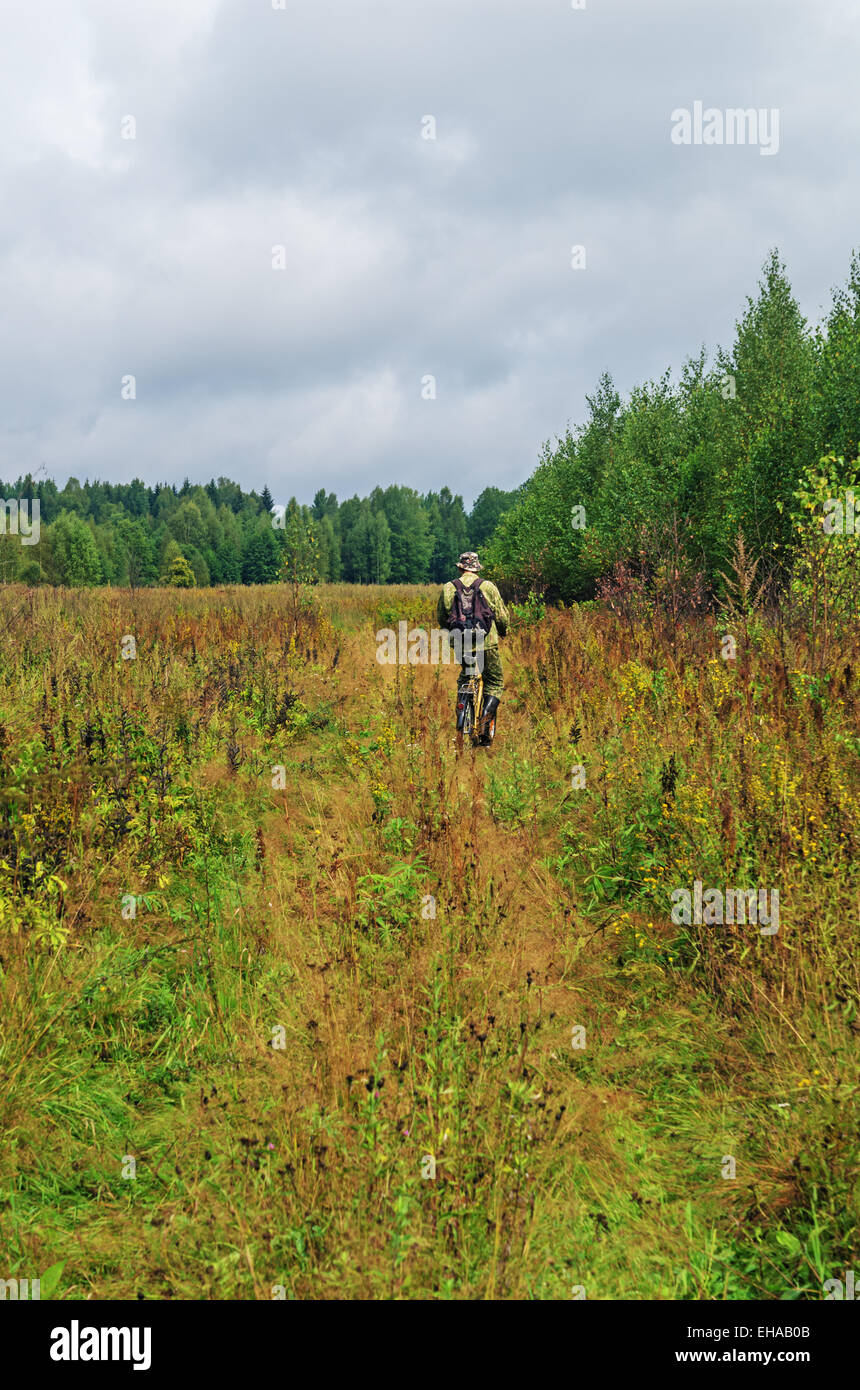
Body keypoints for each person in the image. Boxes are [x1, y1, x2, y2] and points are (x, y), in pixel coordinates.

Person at [437, 551, 509, 744]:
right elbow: (502, 616)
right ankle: (486, 724)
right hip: (487, 643)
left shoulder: (448, 588)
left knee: (466, 678)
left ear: (460, 567)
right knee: (494, 682)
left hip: (461, 643)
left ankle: (463, 712)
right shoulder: (488, 586)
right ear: (477, 568)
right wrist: (502, 631)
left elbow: (442, 618)